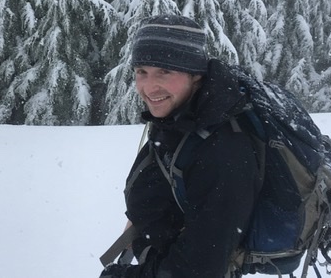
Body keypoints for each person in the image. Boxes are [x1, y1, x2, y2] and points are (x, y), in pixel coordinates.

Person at [101, 14, 262, 278]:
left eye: (165, 71)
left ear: (195, 75)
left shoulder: (223, 149)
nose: (149, 87)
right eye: (142, 72)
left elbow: (200, 269)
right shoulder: (179, 118)